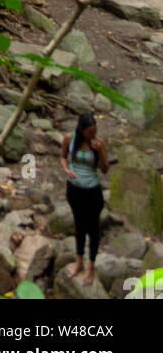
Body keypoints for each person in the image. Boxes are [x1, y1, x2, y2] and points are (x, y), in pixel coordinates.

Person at [60, 113, 108, 286]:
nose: (93, 135)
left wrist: (100, 152)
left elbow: (104, 169)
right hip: (74, 191)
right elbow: (63, 157)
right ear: (81, 130)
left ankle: (91, 267)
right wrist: (66, 170)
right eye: (89, 132)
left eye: (95, 131)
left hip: (92, 192)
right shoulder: (69, 139)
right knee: (79, 226)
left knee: (93, 230)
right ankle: (79, 261)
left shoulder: (99, 144)